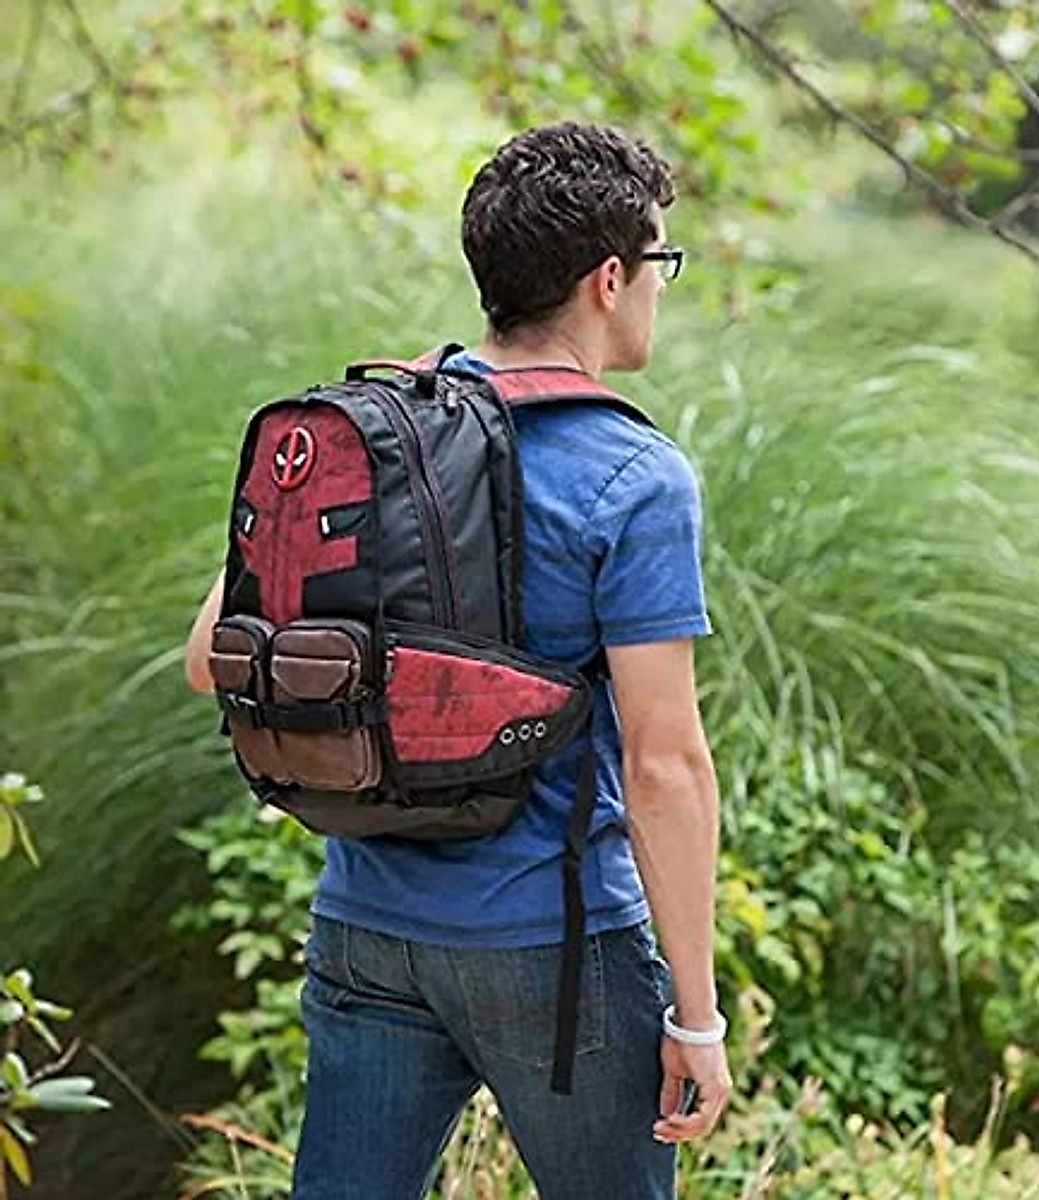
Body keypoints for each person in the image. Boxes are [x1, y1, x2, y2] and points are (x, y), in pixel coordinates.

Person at [184, 120, 730, 1199]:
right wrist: (697, 1018)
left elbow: (209, 657)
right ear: (608, 279)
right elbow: (665, 766)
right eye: (658, 263)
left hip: (365, 927)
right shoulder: (635, 476)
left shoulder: (374, 430)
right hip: (553, 950)